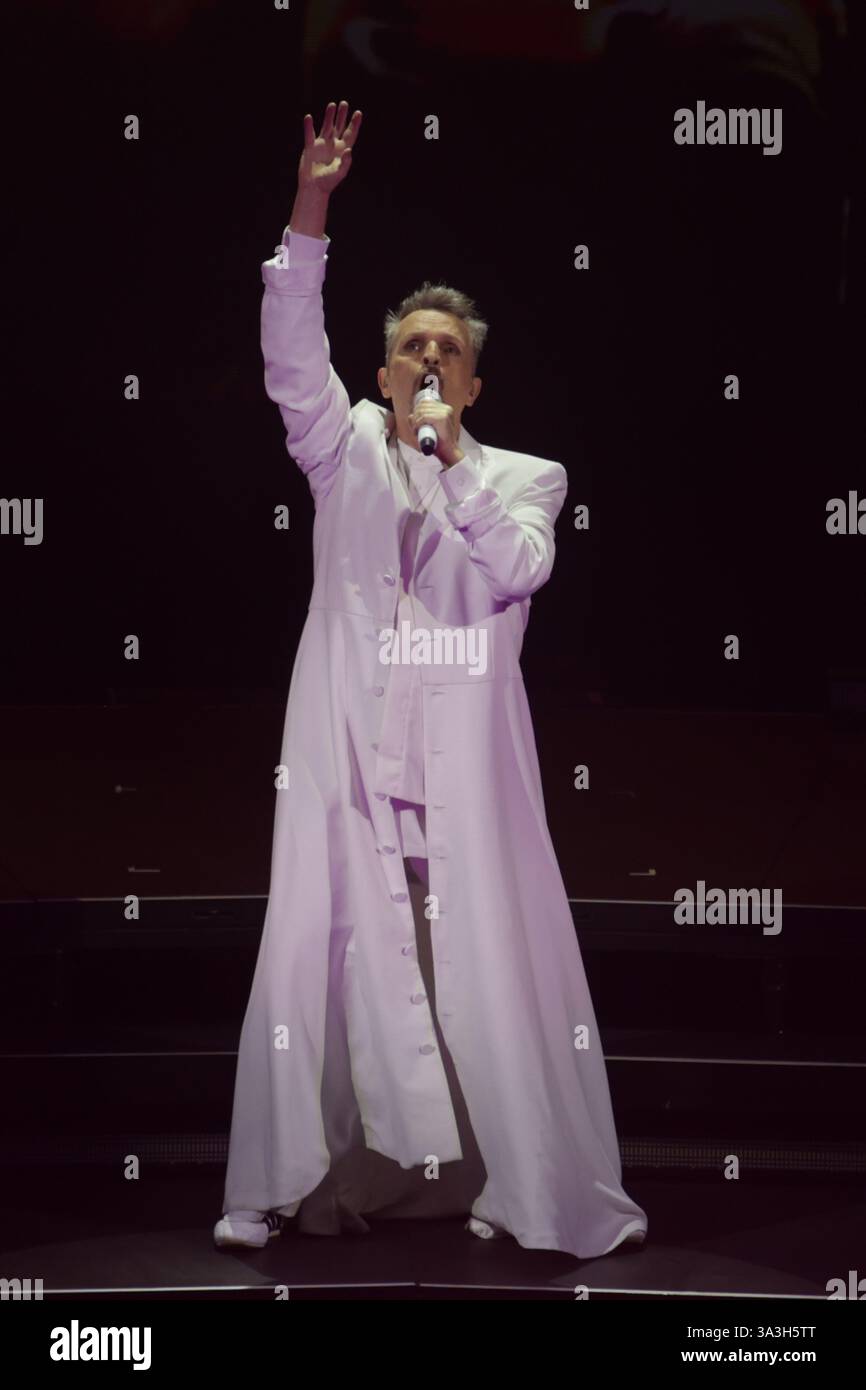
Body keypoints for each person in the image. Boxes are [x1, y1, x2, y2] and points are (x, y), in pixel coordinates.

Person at [214, 100, 647, 1260]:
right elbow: (286, 350)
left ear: (473, 382)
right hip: (351, 754)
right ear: (381, 368)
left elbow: (517, 571)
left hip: (457, 765)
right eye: (410, 346)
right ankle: (284, 1180)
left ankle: (519, 1180)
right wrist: (311, 203)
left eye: (445, 351)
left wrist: (451, 461)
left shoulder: (521, 475)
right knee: (325, 945)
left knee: (479, 960)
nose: (425, 362)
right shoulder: (340, 442)